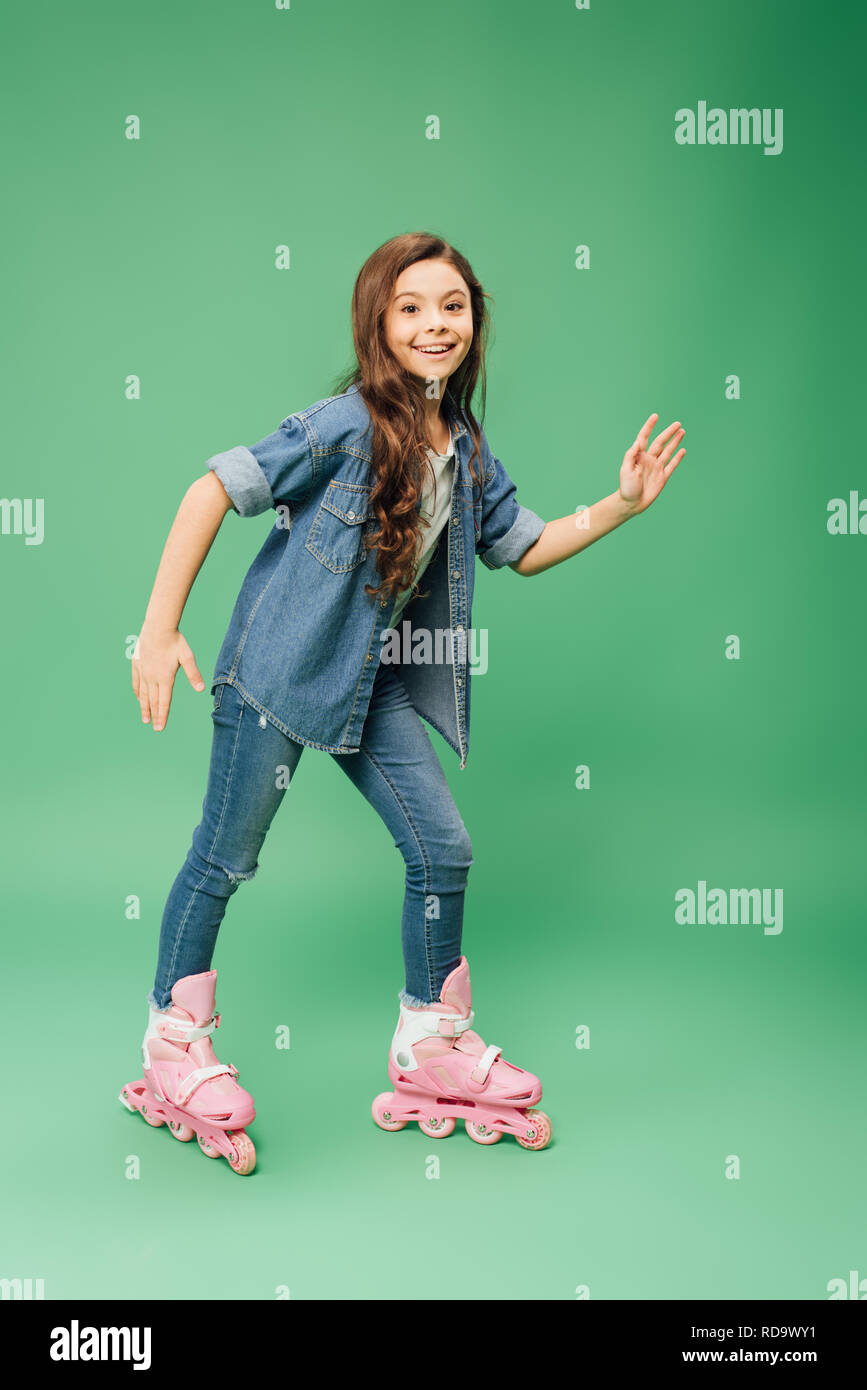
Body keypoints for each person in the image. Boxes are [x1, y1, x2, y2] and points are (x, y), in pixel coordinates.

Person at [119, 232, 686, 1172]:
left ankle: (430, 1040)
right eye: (412, 306)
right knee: (226, 859)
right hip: (278, 675)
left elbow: (524, 544)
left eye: (452, 306)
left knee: (442, 848)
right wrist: (159, 627)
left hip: (368, 682)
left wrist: (619, 505)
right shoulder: (342, 423)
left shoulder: (462, 445)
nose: (435, 323)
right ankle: (173, 1046)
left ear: (474, 323)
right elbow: (212, 487)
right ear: (379, 323)